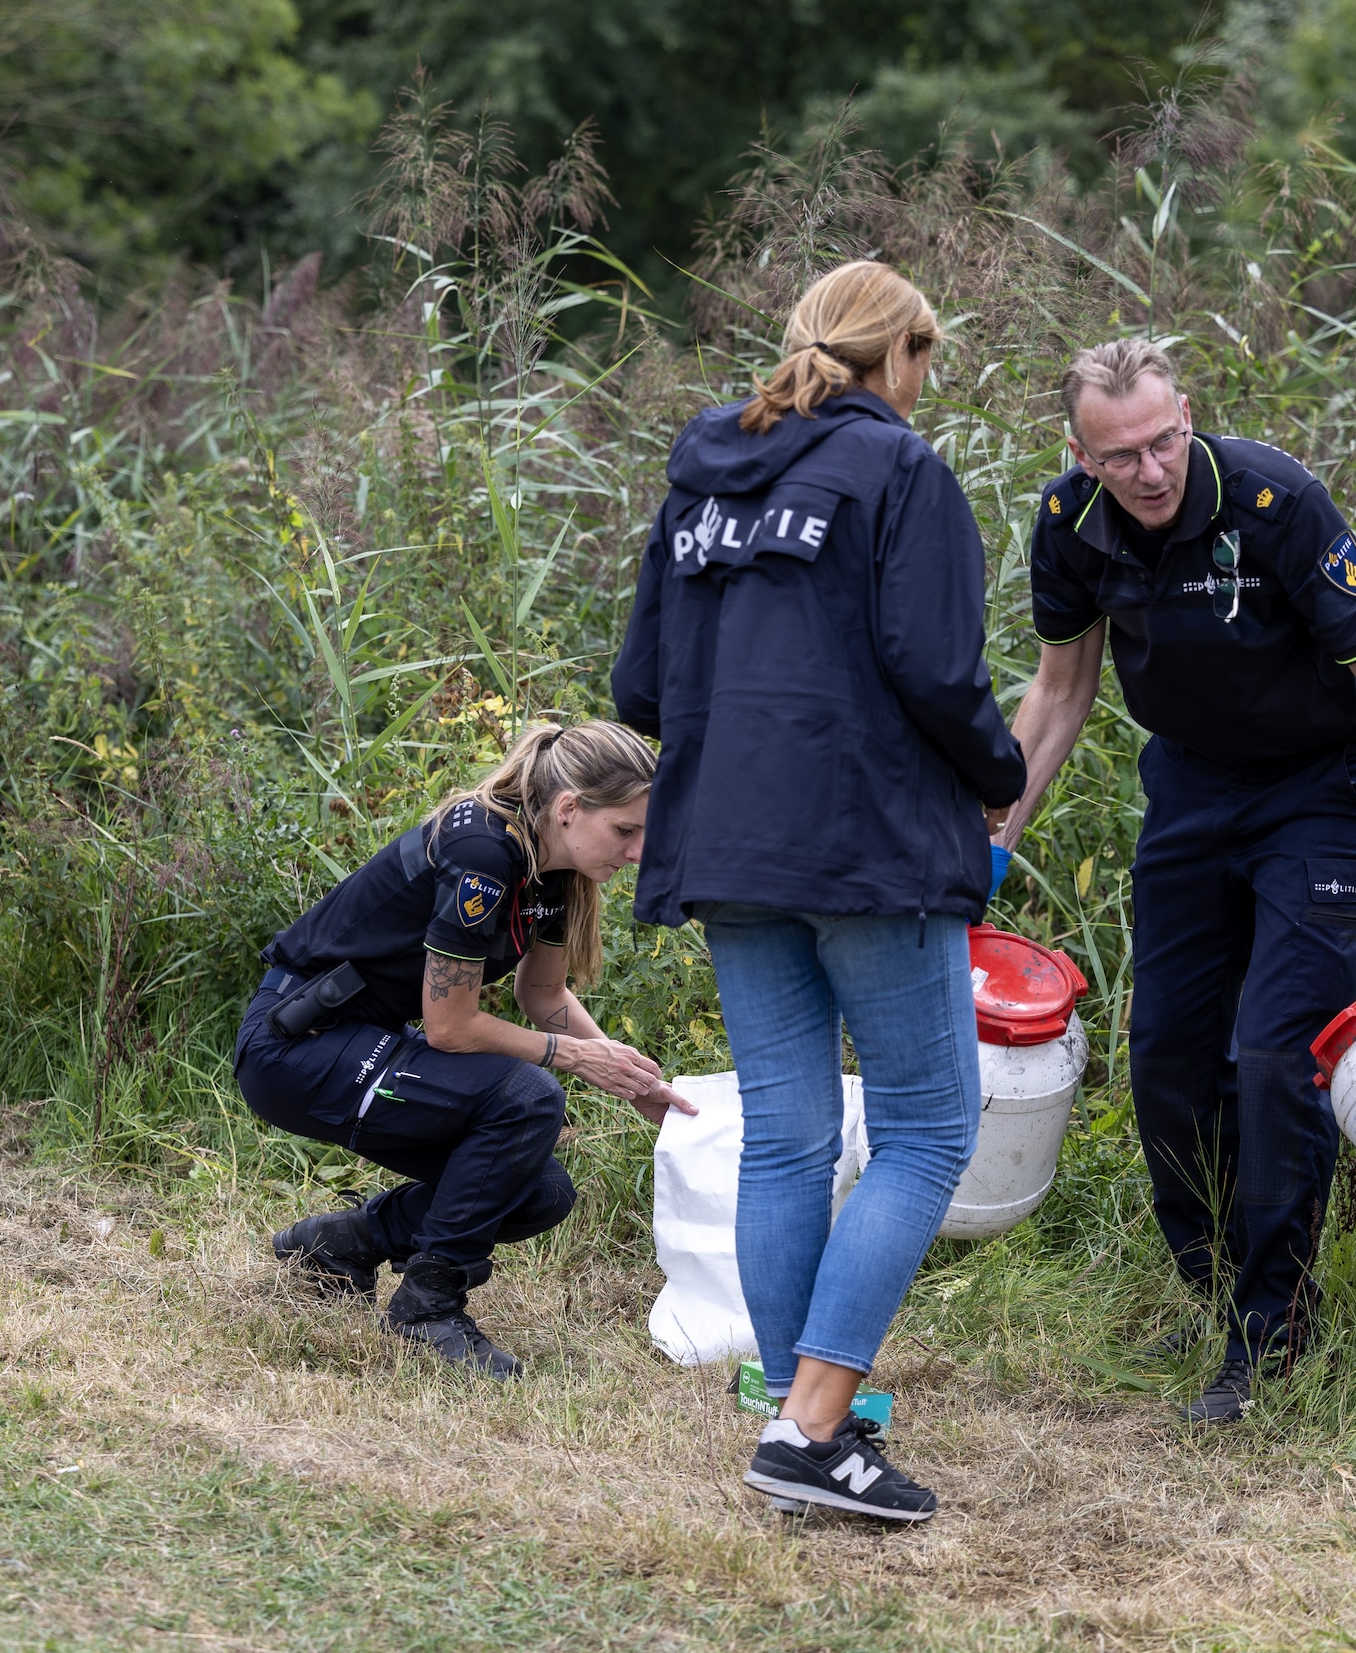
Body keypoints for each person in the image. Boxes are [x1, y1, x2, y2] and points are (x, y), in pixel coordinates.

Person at [993, 338, 1356, 1424]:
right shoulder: (1070, 522)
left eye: (1163, 441)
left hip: (1317, 790)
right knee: (1165, 1054)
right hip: (1192, 785)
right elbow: (1060, 691)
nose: (1150, 471)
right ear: (1078, 452)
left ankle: (1272, 1326)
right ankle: (1216, 1287)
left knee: (1273, 1055)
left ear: (1187, 416)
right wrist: (991, 836)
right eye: (1120, 456)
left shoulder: (1274, 503)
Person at [612, 260, 1026, 1522]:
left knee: (786, 1138)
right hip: (865, 845)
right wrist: (998, 776)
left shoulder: (699, 475)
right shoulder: (898, 469)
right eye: (925, 360)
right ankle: (807, 1429)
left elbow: (639, 688)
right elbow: (935, 670)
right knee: (927, 1132)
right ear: (899, 354)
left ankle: (795, 1425)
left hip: (725, 845)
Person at [237, 721, 694, 1379]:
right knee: (528, 1097)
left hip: (364, 1039)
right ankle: (427, 1309)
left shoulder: (553, 870)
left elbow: (543, 995)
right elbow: (449, 1027)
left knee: (540, 1191)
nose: (638, 851)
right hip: (297, 1046)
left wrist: (629, 1076)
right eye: (626, 830)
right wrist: (573, 1057)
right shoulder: (483, 850)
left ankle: (342, 1243)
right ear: (569, 808)